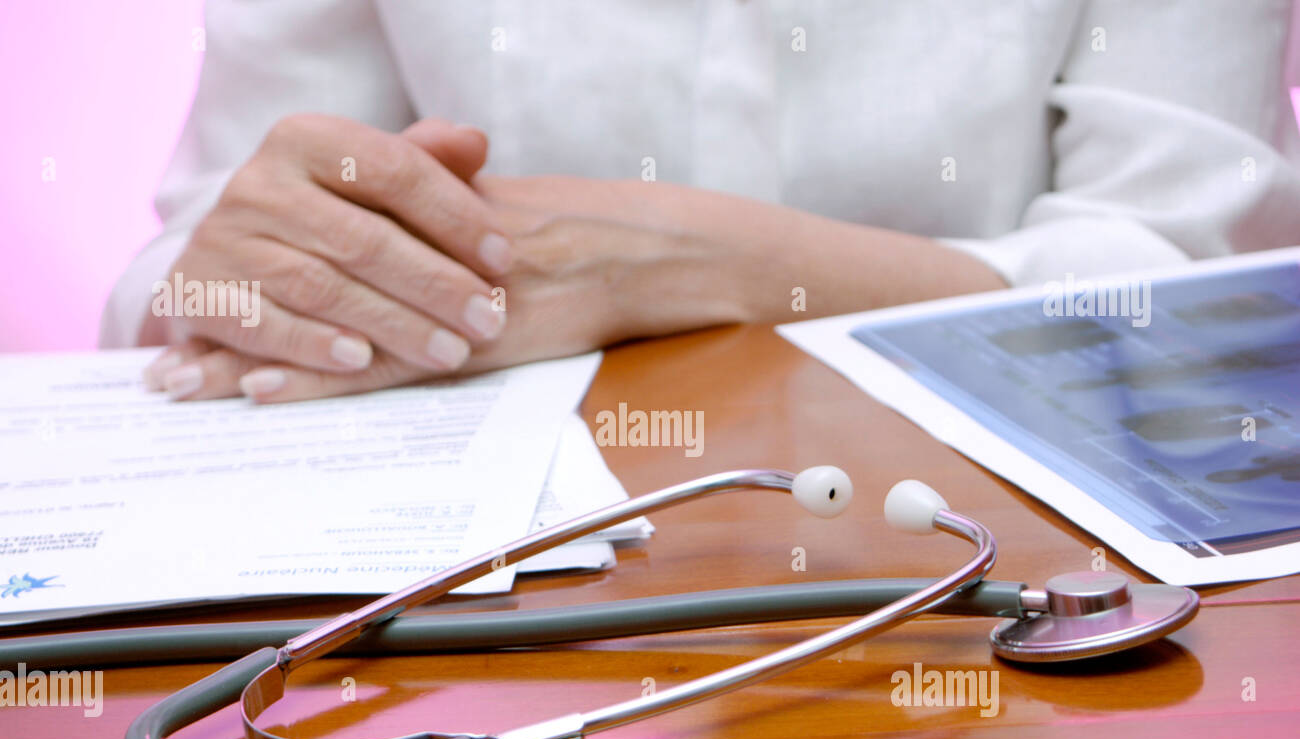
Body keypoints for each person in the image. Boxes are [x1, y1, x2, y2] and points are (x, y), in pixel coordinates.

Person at [102, 0, 1300, 404]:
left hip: (1009, 600)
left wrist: (684, 263)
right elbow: (170, 282)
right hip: (481, 624)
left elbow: (1204, 312)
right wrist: (271, 280)